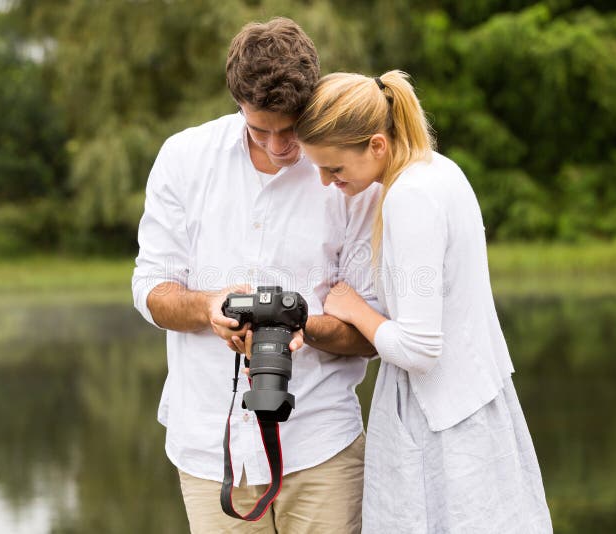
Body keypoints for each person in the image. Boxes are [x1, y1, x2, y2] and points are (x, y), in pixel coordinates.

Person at [131, 18, 380, 533]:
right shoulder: (184, 159)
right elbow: (151, 290)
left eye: (290, 130)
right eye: (259, 129)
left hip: (321, 445)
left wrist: (301, 323)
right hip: (209, 447)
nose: (278, 145)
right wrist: (208, 307)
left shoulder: (347, 175)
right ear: (238, 104)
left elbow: (371, 332)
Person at [294, 70, 554, 533]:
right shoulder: (440, 169)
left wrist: (355, 309)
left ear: (377, 145)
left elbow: (419, 348)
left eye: (334, 169)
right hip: (476, 404)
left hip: (443, 427)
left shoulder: (410, 197)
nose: (326, 181)